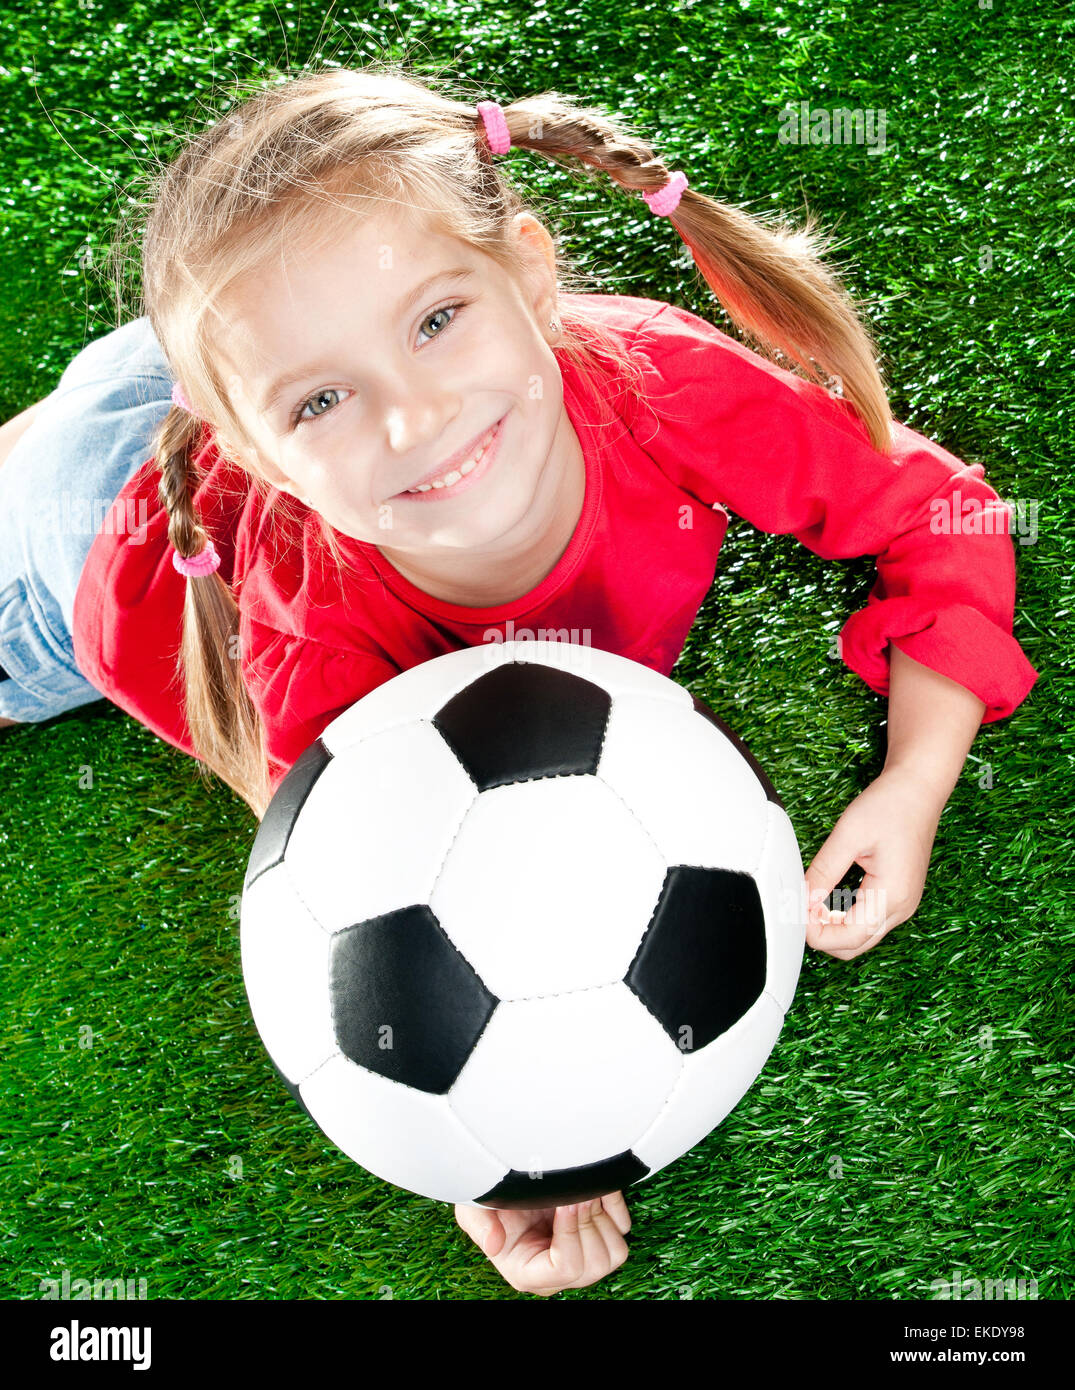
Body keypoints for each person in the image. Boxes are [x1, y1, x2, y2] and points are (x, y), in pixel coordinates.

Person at [0, 64, 1039, 1295]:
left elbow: (940, 513)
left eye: (437, 319)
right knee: (50, 482)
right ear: (257, 456)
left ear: (535, 277)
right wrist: (502, 1150)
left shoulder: (657, 383)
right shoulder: (307, 637)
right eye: (329, 401)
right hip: (83, 552)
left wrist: (917, 778)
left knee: (201, 363)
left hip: (233, 343)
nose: (414, 417)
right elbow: (365, 923)